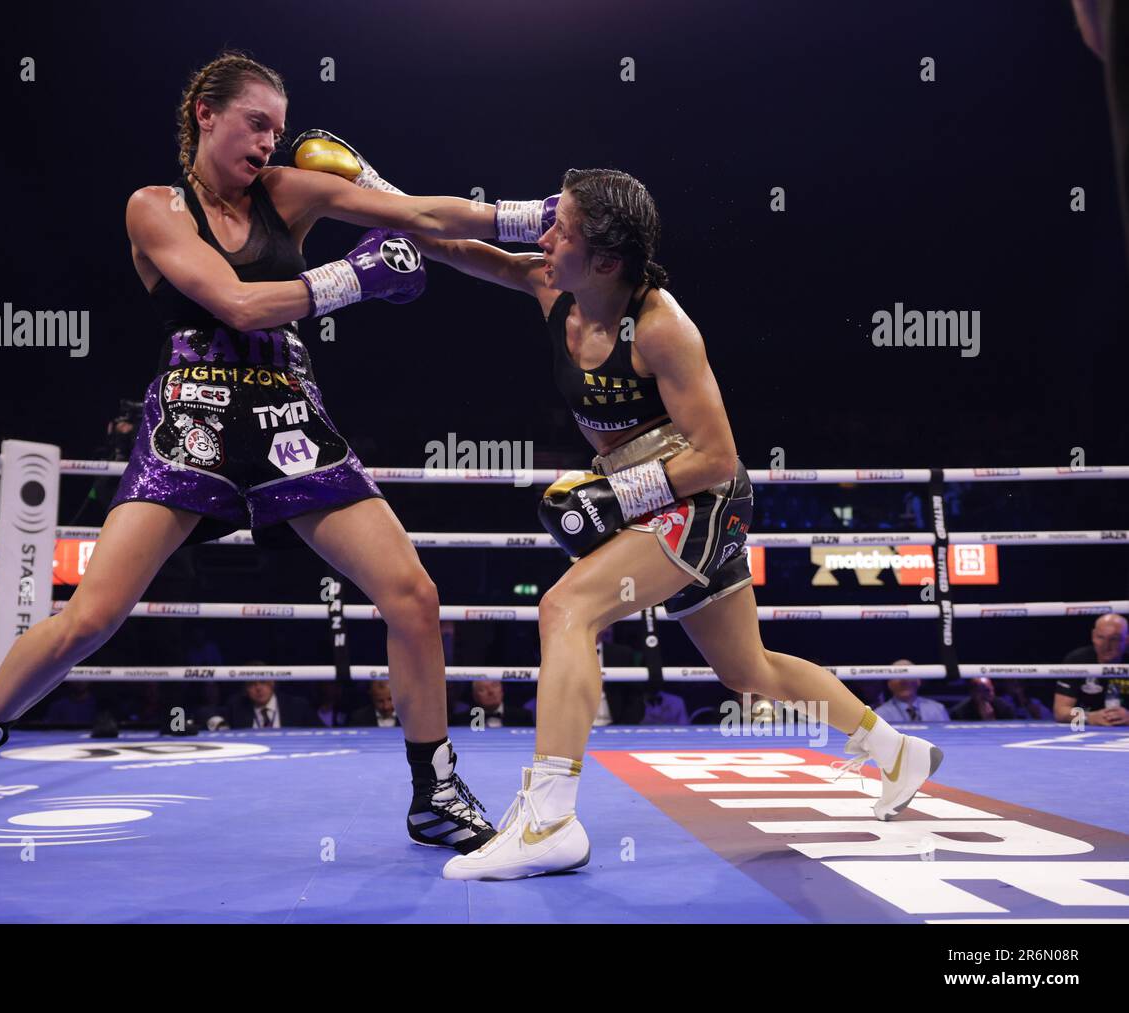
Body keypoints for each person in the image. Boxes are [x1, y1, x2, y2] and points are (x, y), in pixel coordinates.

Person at [0, 53, 514, 870]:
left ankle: (433, 792)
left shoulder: (288, 193)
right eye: (256, 122)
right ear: (204, 113)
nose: (271, 141)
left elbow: (415, 212)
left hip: (286, 404)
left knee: (412, 592)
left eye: (278, 126)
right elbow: (232, 299)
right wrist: (353, 279)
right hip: (191, 409)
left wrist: (532, 215)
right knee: (92, 617)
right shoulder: (155, 208)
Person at [369, 166, 945, 879]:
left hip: (700, 496)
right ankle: (898, 751)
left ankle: (550, 817)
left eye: (564, 230)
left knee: (567, 608)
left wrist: (614, 497)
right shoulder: (554, 286)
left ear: (607, 260)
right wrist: (368, 193)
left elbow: (718, 455)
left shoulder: (664, 327)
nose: (546, 236)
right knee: (749, 670)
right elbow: (456, 248)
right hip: (654, 496)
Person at [1054, 613, 1129, 725]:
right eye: (1100, 637)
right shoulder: (1078, 660)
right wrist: (1089, 717)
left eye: (1114, 639)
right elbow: (1060, 711)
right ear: (1093, 636)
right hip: (1088, 731)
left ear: (1127, 640)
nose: (1106, 645)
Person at [873, 676, 951, 724]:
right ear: (889, 684)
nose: (904, 681)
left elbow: (949, 738)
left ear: (918, 681)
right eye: (897, 676)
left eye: (908, 676)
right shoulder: (880, 714)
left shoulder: (937, 709)